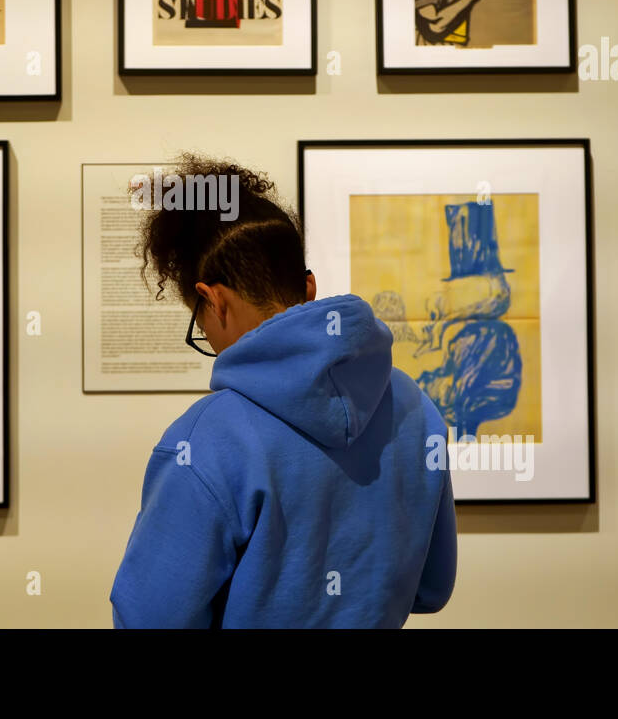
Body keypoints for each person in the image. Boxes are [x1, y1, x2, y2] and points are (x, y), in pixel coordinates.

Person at [110, 155, 457, 628]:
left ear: (214, 299)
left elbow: (149, 619)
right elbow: (432, 586)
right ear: (308, 287)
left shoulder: (205, 439)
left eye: (200, 318)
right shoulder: (415, 407)